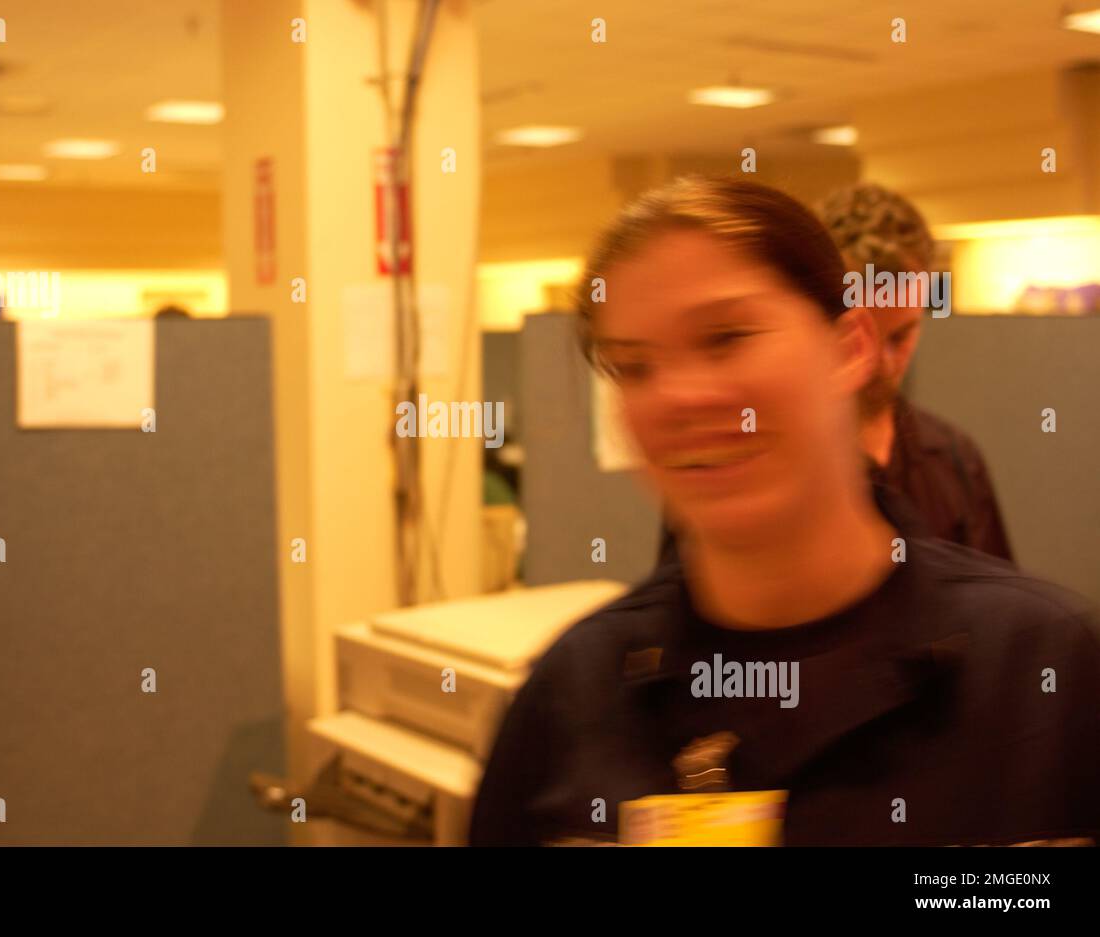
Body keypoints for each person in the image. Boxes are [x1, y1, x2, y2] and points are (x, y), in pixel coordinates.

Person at [468, 177, 1099, 846]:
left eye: (727, 337)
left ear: (850, 347)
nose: (679, 395)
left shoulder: (1042, 675)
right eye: (634, 366)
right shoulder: (576, 702)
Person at [820, 182, 1014, 562]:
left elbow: (998, 610)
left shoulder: (955, 460)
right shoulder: (764, 462)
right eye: (863, 339)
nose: (886, 364)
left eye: (902, 335)